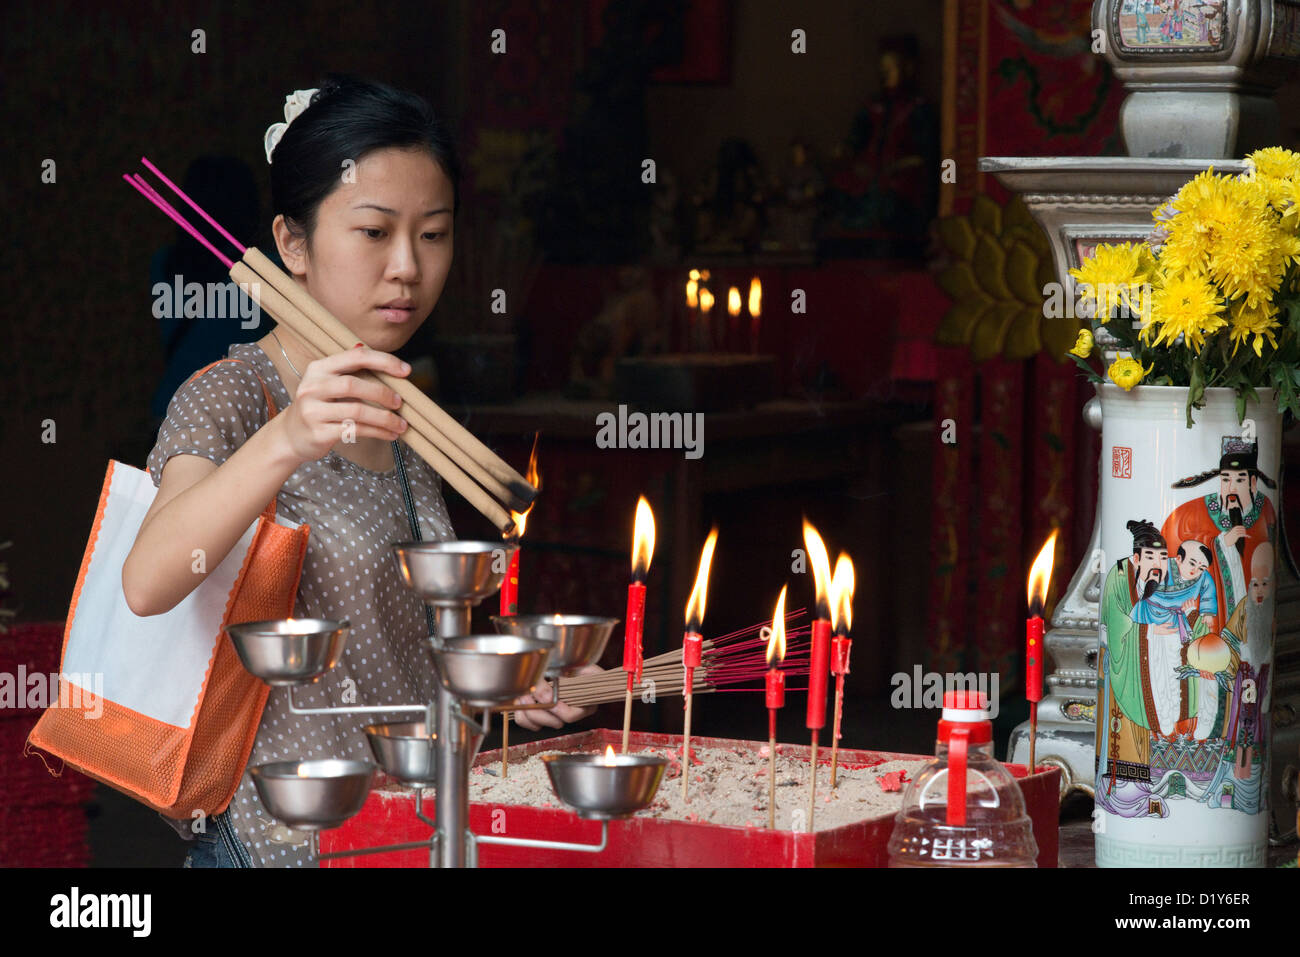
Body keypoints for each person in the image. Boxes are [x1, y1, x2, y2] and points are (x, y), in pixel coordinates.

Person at [123, 76, 593, 868]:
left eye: (434, 234)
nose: (407, 267)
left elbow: (394, 638)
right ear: (293, 243)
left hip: (403, 837)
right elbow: (148, 580)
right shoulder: (238, 393)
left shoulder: (405, 409)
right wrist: (287, 438)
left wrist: (501, 680)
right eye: (375, 232)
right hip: (274, 844)